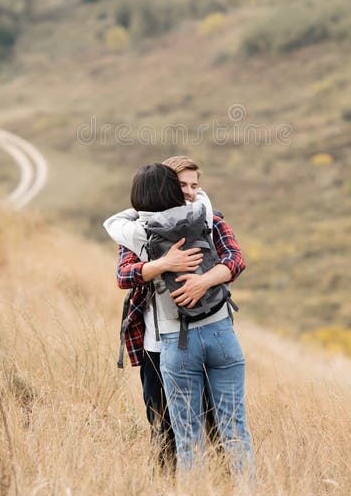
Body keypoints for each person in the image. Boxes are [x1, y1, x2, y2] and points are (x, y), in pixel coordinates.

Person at [105, 162, 253, 474]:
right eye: (181, 185)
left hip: (184, 339)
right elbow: (123, 275)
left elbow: (236, 260)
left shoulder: (204, 221)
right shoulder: (147, 229)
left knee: (206, 429)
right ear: (168, 189)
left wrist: (203, 281)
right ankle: (174, 494)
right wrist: (165, 263)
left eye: (193, 186)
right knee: (163, 427)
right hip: (158, 346)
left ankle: (210, 491)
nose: (188, 192)